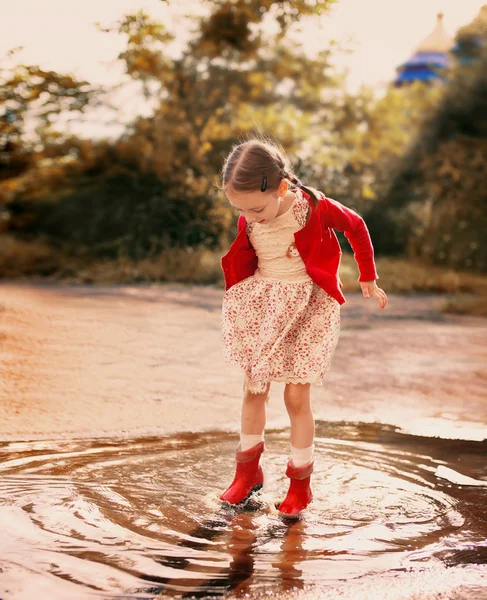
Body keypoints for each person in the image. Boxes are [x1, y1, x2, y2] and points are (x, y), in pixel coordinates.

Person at [219, 138, 387, 516]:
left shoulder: (314, 207)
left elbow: (356, 226)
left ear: (281, 188)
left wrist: (367, 277)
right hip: (264, 306)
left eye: (257, 208)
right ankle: (247, 474)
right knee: (253, 389)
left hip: (308, 307)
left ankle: (300, 485)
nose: (250, 216)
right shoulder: (252, 209)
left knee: (296, 398)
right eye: (241, 209)